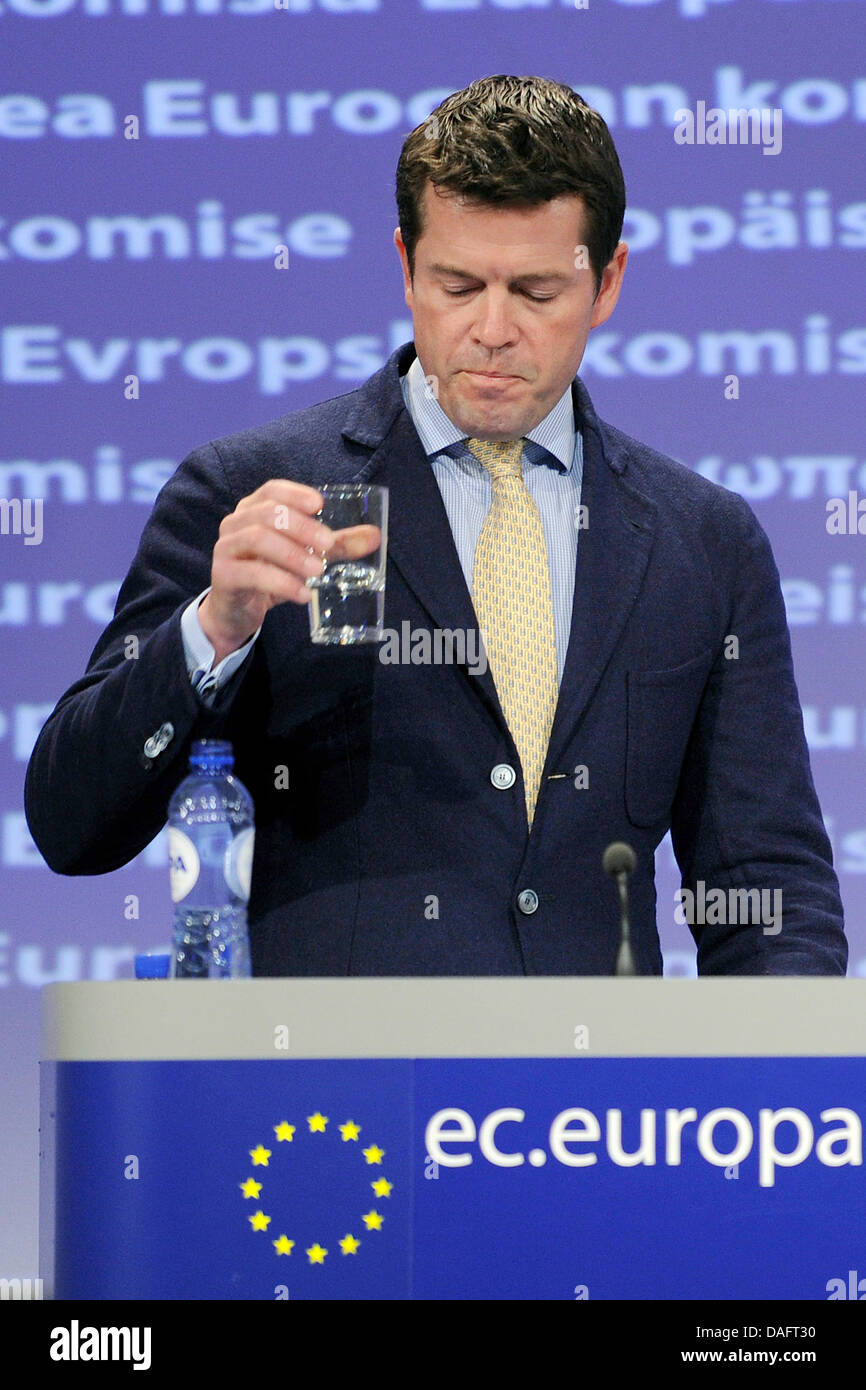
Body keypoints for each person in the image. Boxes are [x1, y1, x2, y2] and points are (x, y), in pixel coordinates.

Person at [24, 74, 846, 977]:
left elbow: (767, 889)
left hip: (591, 1109)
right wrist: (211, 633)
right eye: (457, 284)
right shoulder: (249, 490)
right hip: (337, 1104)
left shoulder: (705, 542)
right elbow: (72, 824)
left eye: (535, 291)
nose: (492, 330)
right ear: (406, 267)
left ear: (606, 282)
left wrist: (763, 1098)